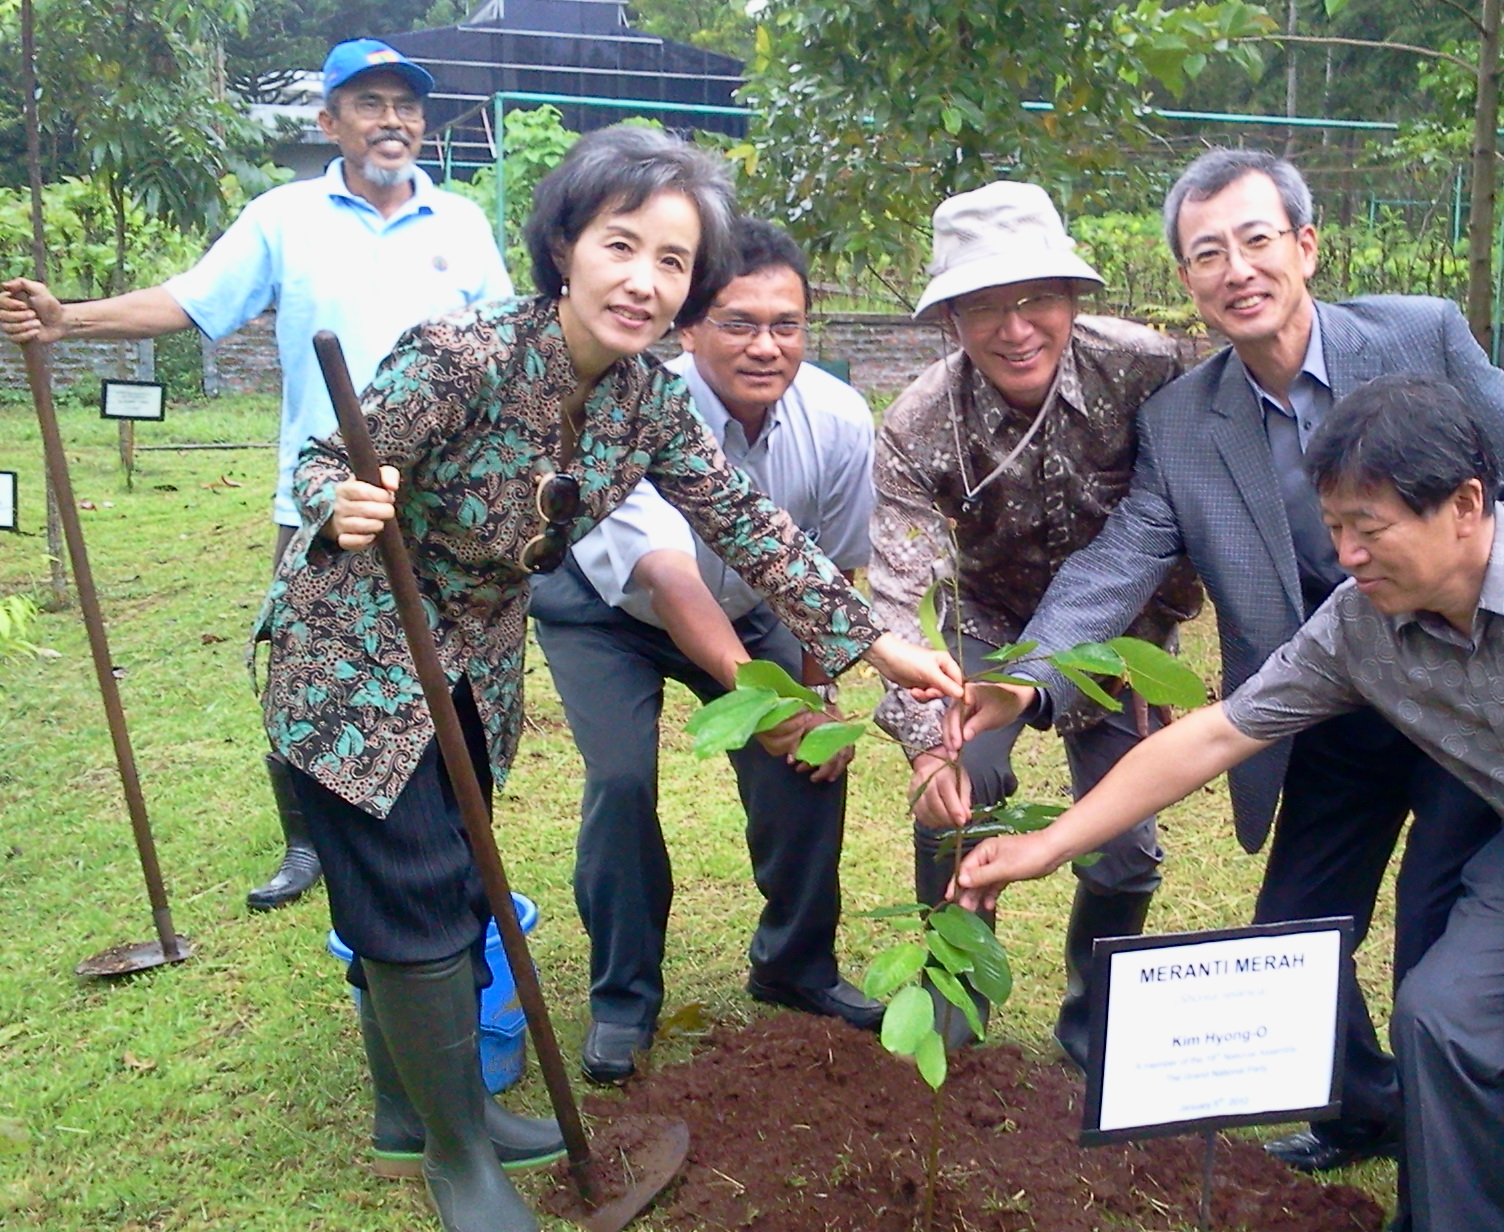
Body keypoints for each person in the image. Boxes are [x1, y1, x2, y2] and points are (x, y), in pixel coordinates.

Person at [260, 126, 961, 1232]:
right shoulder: (462, 354)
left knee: (453, 887)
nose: (643, 280)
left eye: (672, 260)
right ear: (565, 244)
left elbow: (746, 521)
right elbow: (323, 460)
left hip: (475, 662)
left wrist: (873, 641)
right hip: (361, 664)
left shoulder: (641, 397)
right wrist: (342, 502)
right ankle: (459, 1163)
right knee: (415, 896)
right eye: (620, 245)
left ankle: (419, 1113)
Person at [953, 373, 1504, 1232]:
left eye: (1369, 528)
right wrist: (1046, 846)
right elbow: (1219, 733)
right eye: (1335, 527)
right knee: (1441, 1021)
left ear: (1465, 504)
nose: (1347, 555)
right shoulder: (1363, 624)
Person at [946, 148, 1504, 1169]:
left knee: (1431, 943)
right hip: (1324, 705)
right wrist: (1023, 673)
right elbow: (1121, 553)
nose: (1236, 268)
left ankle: (1441, 1171)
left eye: (1257, 239)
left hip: (1468, 698)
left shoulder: (1419, 338)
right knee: (1294, 931)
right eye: (1206, 252)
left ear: (1304, 246)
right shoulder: (1181, 418)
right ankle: (1362, 1109)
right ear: (1185, 278)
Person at [0, 39, 512, 913]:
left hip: (440, 505)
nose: (392, 121)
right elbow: (191, 301)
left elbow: (504, 346)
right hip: (321, 495)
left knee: (452, 663)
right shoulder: (285, 216)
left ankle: (453, 822)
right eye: (369, 104)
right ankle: (308, 841)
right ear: (329, 123)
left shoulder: (461, 221)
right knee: (300, 676)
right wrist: (68, 320)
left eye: (406, 106)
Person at [529, 217, 886, 1086]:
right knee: (620, 782)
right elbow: (670, 579)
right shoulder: (631, 402)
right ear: (688, 326)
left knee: (812, 760)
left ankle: (795, 965)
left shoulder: (838, 420)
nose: (766, 346)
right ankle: (623, 999)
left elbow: (829, 569)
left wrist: (810, 699)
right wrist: (761, 702)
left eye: (787, 324)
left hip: (757, 602)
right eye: (738, 322)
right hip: (610, 609)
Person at [867, 181, 1203, 1063]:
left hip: (1116, 636)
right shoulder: (915, 424)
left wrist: (1161, 641)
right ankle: (952, 1006)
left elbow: (1196, 505)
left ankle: (1095, 1034)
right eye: (983, 306)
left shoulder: (1150, 369)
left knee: (1125, 852)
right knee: (958, 792)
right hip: (989, 626)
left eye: (1036, 299)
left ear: (1072, 298)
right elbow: (899, 592)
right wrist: (923, 743)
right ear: (950, 321)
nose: (1015, 328)